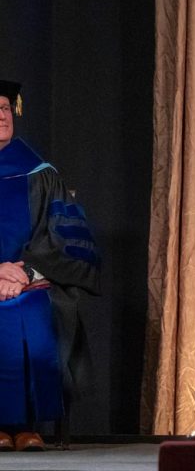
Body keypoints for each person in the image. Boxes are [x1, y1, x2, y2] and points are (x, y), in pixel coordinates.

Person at [0, 81, 100, 452]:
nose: (2, 115)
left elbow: (68, 239)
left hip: (32, 283)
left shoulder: (40, 173)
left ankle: (28, 426)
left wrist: (25, 272)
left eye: (7, 108)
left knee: (29, 311)